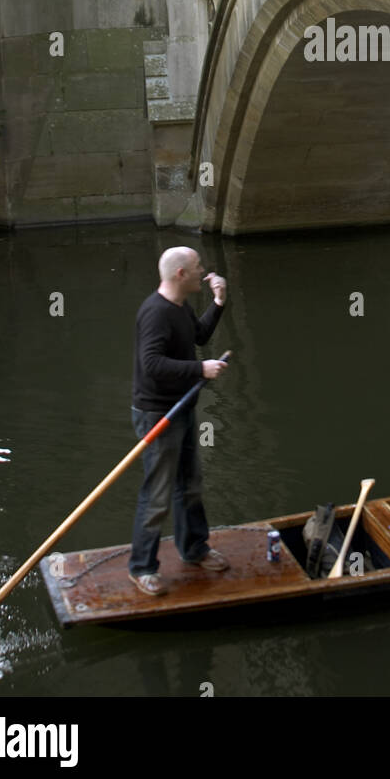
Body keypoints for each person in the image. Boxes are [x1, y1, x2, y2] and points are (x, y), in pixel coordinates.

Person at [128, 246, 230, 595]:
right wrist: (200, 368)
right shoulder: (155, 313)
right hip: (158, 415)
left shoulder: (179, 307)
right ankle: (142, 567)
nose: (204, 269)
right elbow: (152, 365)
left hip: (182, 407)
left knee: (190, 483)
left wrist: (218, 302)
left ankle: (194, 548)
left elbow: (197, 336)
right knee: (157, 494)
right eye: (198, 266)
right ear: (181, 274)